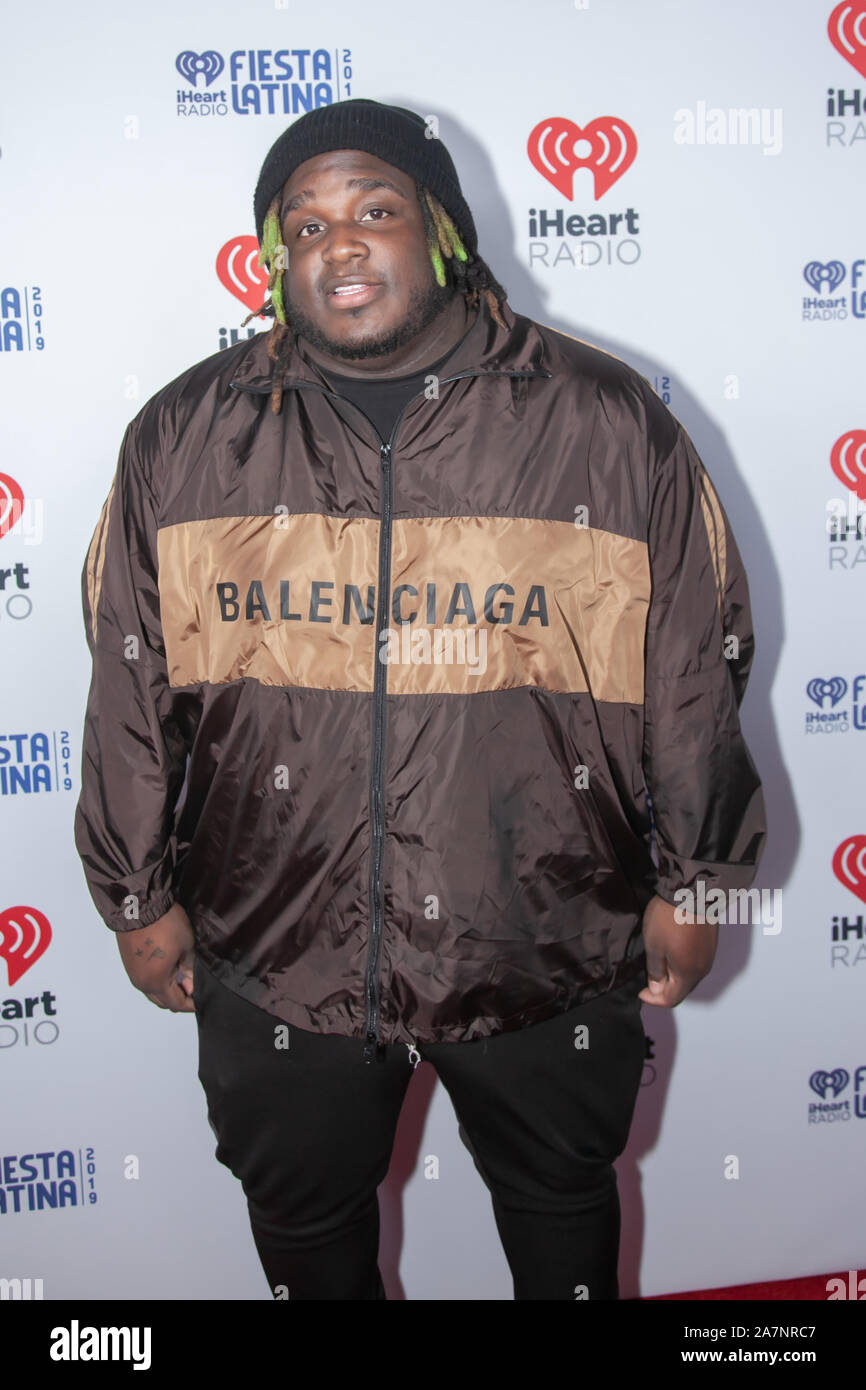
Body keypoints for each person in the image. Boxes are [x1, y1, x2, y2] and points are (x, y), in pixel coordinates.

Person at [74, 98, 767, 1301]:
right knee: (308, 1243)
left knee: (563, 1227)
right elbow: (130, 677)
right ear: (277, 258)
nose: (338, 247)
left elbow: (690, 670)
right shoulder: (185, 438)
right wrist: (135, 891)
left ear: (440, 230)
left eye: (374, 210)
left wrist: (691, 875)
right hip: (277, 949)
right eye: (303, 226)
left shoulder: (603, 424)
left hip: (541, 935)